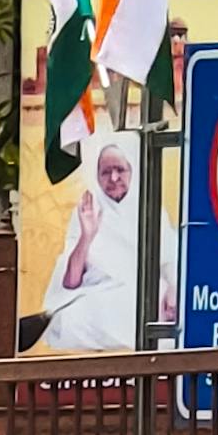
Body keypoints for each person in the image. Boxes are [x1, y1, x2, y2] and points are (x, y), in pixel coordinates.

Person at [34, 130, 140, 351]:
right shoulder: (88, 209)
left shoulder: (149, 207)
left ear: (132, 170)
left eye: (120, 170)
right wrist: (86, 236)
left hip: (139, 297)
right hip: (97, 300)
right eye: (105, 172)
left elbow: (170, 263)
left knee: (148, 309)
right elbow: (71, 281)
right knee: (68, 320)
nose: (113, 179)